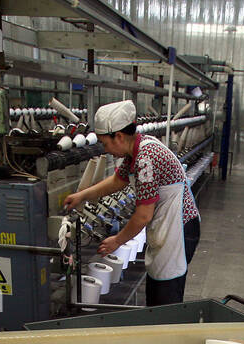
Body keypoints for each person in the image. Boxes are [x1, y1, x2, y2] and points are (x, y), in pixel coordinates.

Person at [62, 100, 201, 306]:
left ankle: (167, 334)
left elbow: (144, 214)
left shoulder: (146, 157)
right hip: (168, 226)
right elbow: (118, 180)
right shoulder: (135, 149)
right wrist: (83, 195)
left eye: (105, 143)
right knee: (158, 290)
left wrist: (117, 241)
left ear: (118, 136)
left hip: (178, 229)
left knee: (167, 296)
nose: (105, 149)